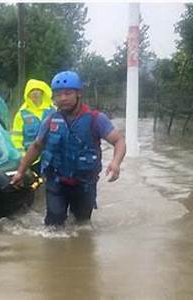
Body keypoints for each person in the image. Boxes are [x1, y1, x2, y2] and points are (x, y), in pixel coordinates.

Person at [10, 71, 126, 226]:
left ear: (78, 93)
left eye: (67, 93)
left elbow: (119, 141)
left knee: (82, 224)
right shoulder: (50, 120)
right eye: (58, 95)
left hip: (84, 184)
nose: (62, 98)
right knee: (54, 224)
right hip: (56, 182)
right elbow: (37, 146)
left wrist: (116, 163)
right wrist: (20, 172)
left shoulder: (96, 119)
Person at [11, 79, 55, 173]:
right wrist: (23, 156)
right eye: (31, 91)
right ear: (27, 94)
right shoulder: (21, 114)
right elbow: (16, 138)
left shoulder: (53, 111)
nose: (34, 94)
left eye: (37, 91)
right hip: (31, 161)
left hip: (53, 159)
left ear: (42, 93)